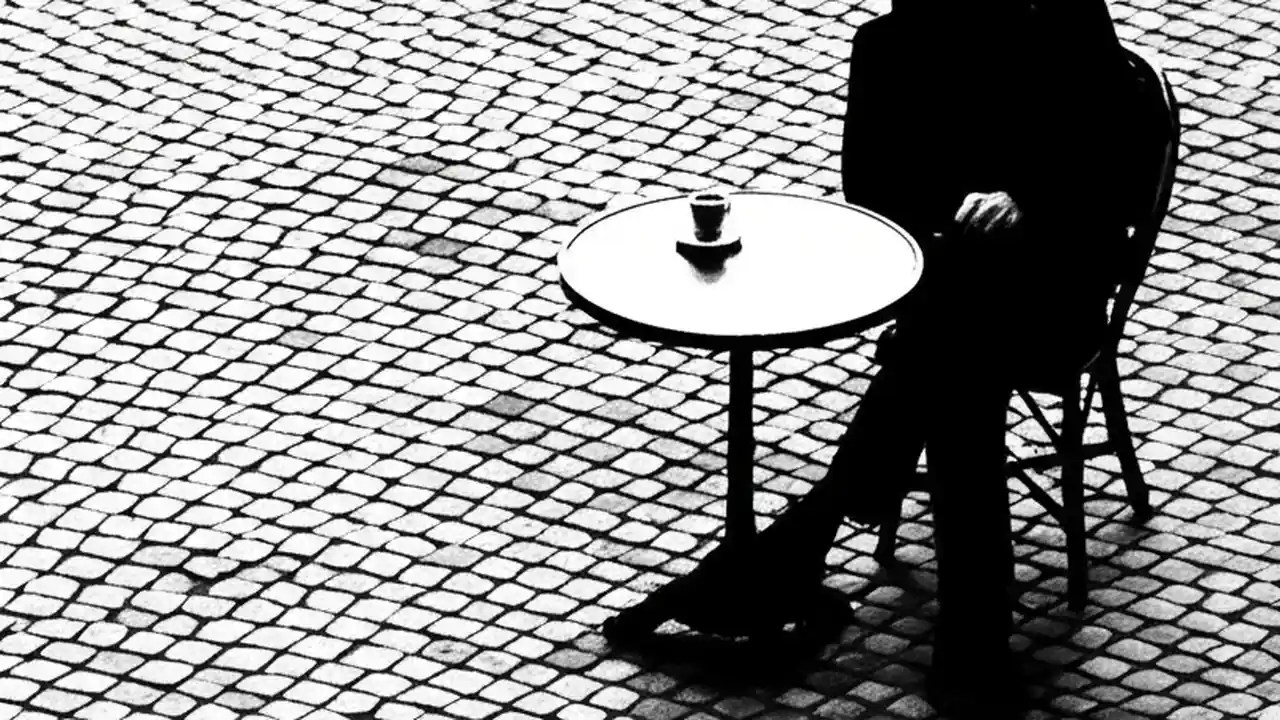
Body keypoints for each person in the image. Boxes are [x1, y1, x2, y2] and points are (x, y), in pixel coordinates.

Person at [605, 1, 1146, 717]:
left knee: (951, 361)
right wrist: (954, 209)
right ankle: (967, 642)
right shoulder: (892, 45)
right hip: (952, 285)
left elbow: (1121, 159)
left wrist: (1027, 201)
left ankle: (805, 539)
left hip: (1054, 273)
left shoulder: (1057, 14)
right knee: (959, 373)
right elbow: (872, 187)